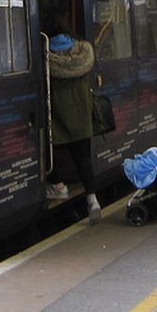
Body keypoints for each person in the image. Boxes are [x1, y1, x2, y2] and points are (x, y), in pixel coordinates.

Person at [46, 33, 102, 224]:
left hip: (59, 119)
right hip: (82, 120)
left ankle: (59, 187)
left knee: (51, 154)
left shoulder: (50, 66)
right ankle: (92, 199)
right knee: (83, 159)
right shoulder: (84, 61)